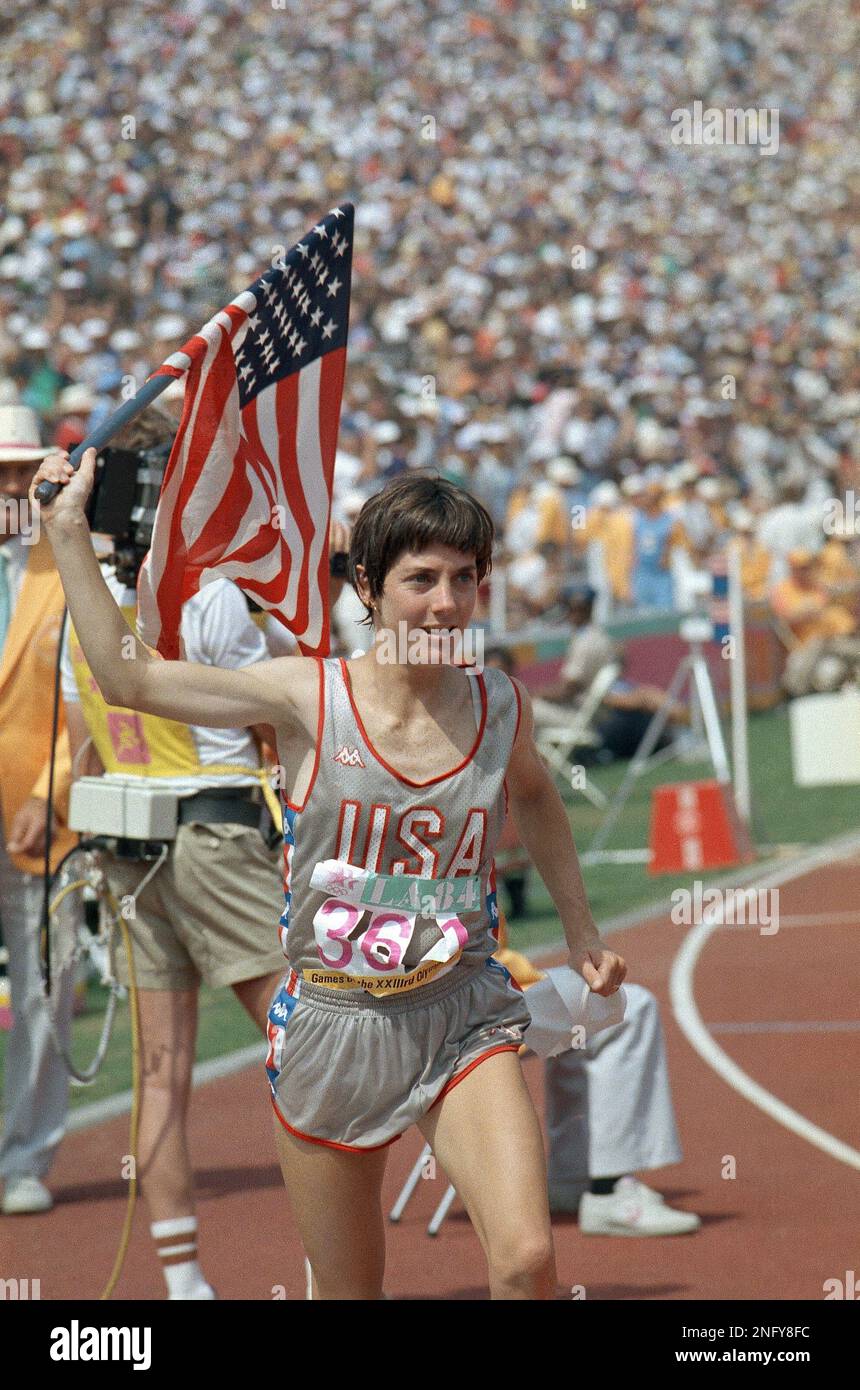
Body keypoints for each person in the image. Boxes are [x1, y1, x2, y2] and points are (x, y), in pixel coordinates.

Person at [33, 453, 627, 1301]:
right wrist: (66, 539)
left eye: (466, 578)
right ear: (370, 589)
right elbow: (130, 679)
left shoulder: (500, 704)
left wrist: (583, 933)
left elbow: (535, 795)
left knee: (527, 1259)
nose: (447, 602)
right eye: (421, 578)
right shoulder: (306, 698)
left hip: (463, 1007)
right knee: (350, 1290)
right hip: (332, 1024)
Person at [58, 409, 338, 1299]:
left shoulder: (83, 597)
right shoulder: (208, 597)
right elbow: (279, 711)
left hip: (125, 843)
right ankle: (333, 1266)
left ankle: (184, 1285)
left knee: (159, 1078)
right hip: (215, 835)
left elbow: (87, 747)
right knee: (305, 1051)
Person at [0, 403, 77, 1216]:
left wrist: (51, 791)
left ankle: (24, 1156)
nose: (12, 486)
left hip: (45, 816)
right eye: (0, 472)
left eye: (24, 470)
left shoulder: (70, 562)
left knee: (46, 988)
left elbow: (93, 696)